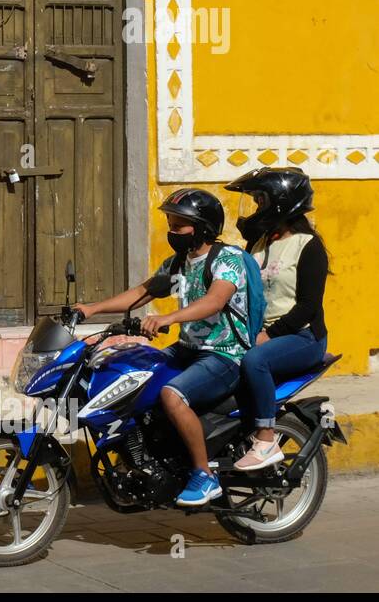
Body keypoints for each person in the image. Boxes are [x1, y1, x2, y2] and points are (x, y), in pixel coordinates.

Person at [73, 188, 249, 507]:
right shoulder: (178, 263)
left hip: (225, 355)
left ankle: (203, 475)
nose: (172, 231)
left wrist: (168, 317)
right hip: (188, 350)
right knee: (133, 373)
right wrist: (91, 309)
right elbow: (143, 292)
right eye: (170, 222)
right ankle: (150, 455)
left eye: (179, 224)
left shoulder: (228, 259)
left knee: (172, 394)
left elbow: (214, 301)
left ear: (203, 227)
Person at [224, 167, 329, 470]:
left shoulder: (308, 246)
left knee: (256, 361)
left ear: (280, 203)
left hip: (303, 336)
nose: (255, 209)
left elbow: (308, 306)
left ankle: (266, 439)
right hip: (260, 333)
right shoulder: (257, 245)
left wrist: (269, 335)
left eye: (260, 201)